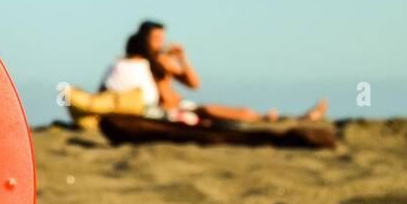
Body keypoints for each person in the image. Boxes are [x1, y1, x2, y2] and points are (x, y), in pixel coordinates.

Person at [103, 21, 327, 124]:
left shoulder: (162, 61)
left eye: (162, 38)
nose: (160, 42)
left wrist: (181, 58)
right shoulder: (136, 65)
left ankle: (289, 119)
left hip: (180, 106)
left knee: (221, 111)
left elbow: (193, 84)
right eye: (156, 39)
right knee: (212, 110)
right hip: (166, 112)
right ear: (144, 39)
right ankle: (281, 119)